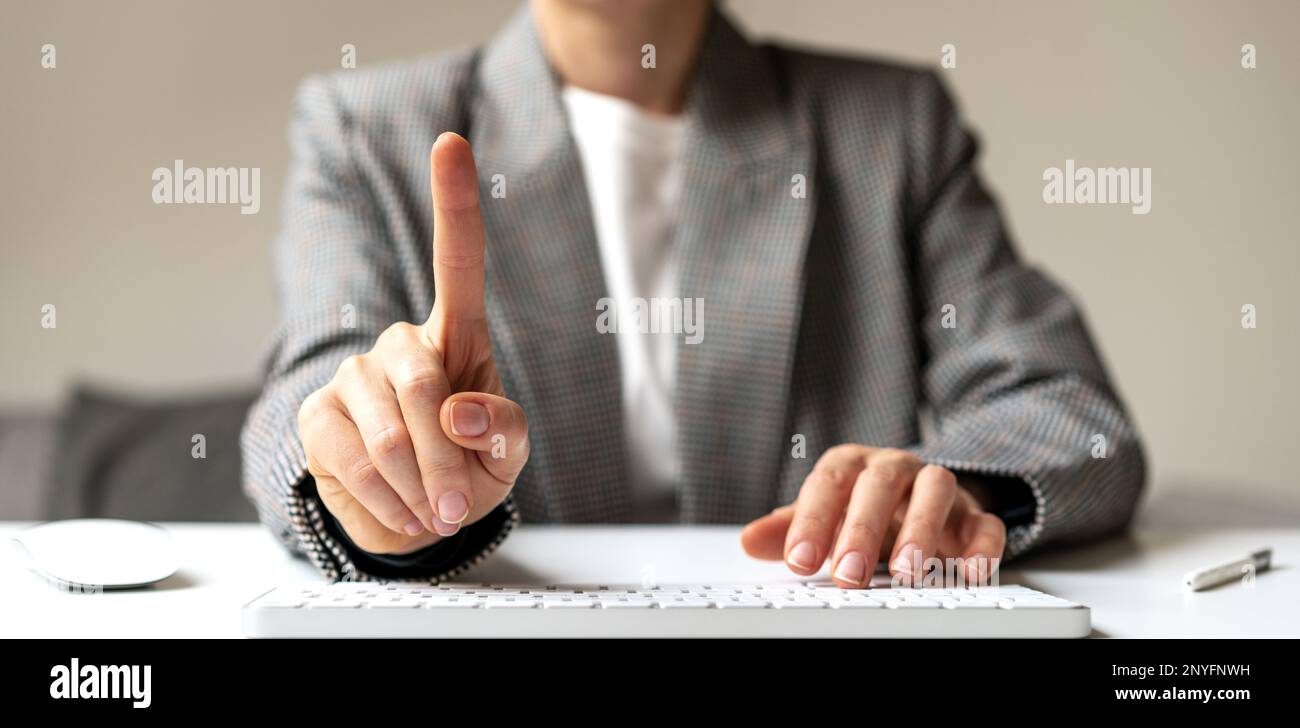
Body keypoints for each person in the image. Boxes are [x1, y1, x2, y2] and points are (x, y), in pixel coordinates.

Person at [241, 0, 1145, 587]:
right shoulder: (363, 127)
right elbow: (309, 390)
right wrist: (371, 476)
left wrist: (957, 489)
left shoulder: (892, 126)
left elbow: (1067, 411)